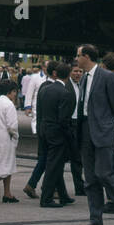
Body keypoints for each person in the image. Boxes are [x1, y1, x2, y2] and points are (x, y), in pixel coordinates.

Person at [74, 45, 114, 225]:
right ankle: (95, 219)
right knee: (90, 179)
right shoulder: (83, 78)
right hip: (86, 130)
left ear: (87, 57)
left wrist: (112, 129)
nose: (76, 59)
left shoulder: (107, 77)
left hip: (104, 132)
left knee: (104, 173)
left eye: (78, 56)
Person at [36, 63, 75, 208]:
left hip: (45, 129)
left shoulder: (45, 89)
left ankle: (63, 195)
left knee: (55, 164)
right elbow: (63, 119)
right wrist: (69, 135)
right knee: (53, 165)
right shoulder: (65, 93)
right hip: (57, 133)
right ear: (68, 75)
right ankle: (46, 198)